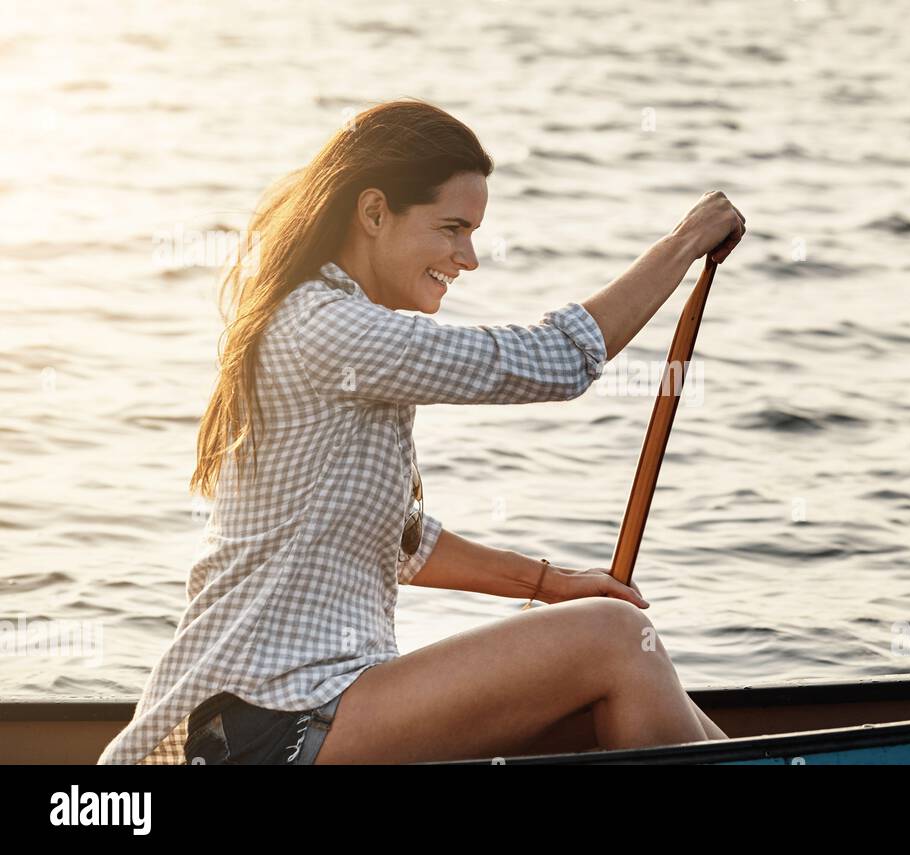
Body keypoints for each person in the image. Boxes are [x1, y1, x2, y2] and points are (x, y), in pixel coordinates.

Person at [96, 98, 745, 764]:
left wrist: (553, 584)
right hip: (267, 722)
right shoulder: (328, 327)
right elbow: (556, 360)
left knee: (620, 676)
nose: (468, 257)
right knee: (615, 637)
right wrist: (685, 242)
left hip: (310, 710)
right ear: (374, 213)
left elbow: (402, 542)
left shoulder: (337, 324)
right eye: (452, 228)